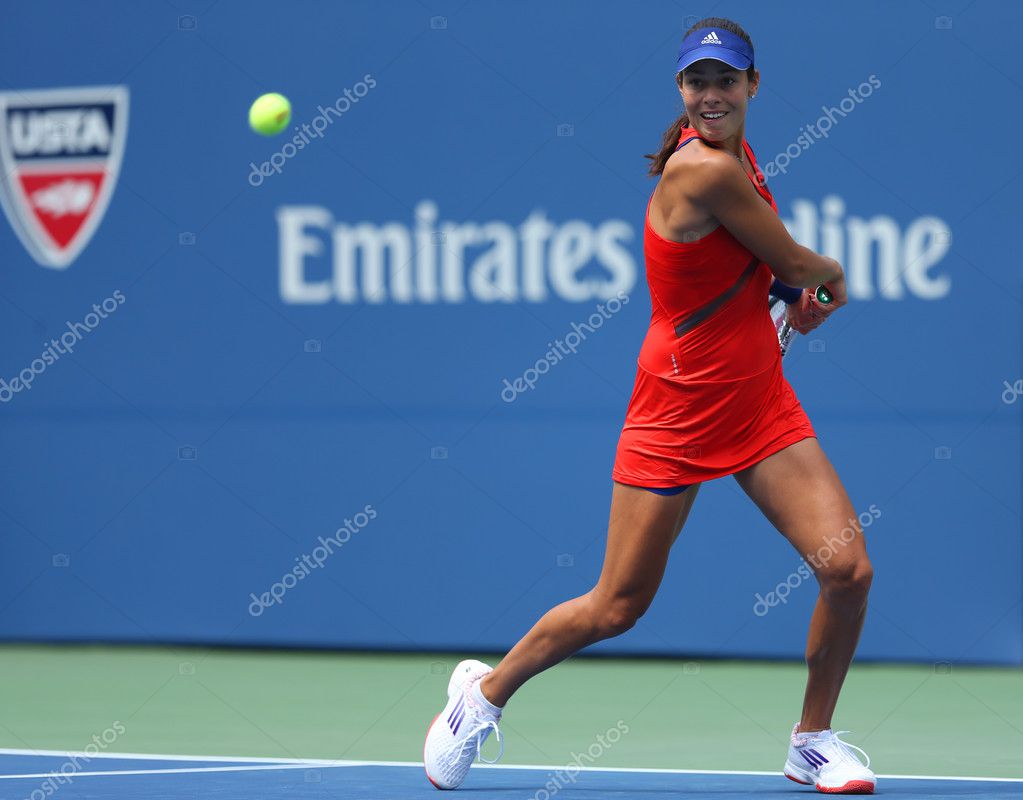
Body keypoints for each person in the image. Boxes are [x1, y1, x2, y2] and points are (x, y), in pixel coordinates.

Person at [424, 16, 875, 795]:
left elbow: (754, 269)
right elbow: (797, 259)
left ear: (751, 86)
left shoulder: (737, 158)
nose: (710, 95)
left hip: (758, 402)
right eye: (697, 82)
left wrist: (785, 298)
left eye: (725, 80)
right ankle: (482, 696)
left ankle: (811, 741)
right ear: (680, 89)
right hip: (674, 410)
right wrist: (827, 278)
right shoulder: (701, 170)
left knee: (847, 570)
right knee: (617, 606)